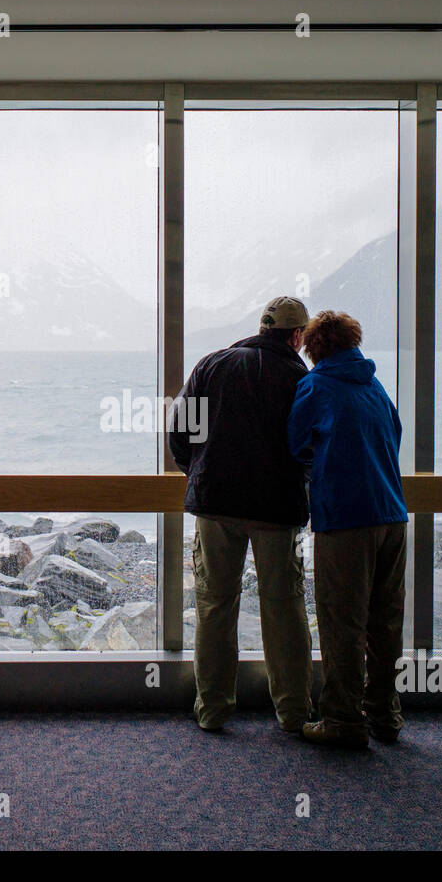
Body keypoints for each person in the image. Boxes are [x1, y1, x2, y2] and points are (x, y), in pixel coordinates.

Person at [169, 296, 314, 733]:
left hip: (215, 505)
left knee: (215, 605)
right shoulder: (297, 375)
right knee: (284, 608)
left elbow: (180, 431)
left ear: (262, 327)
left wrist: (197, 472)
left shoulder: (212, 363)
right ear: (297, 336)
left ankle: (212, 709)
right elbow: (308, 444)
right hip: (276, 509)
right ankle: (293, 712)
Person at [287, 310, 409, 749]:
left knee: (343, 622)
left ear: (314, 347)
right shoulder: (375, 386)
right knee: (385, 623)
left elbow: (295, 443)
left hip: (345, 520)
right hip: (393, 516)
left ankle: (341, 718)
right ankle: (384, 713)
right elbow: (394, 435)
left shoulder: (316, 385)